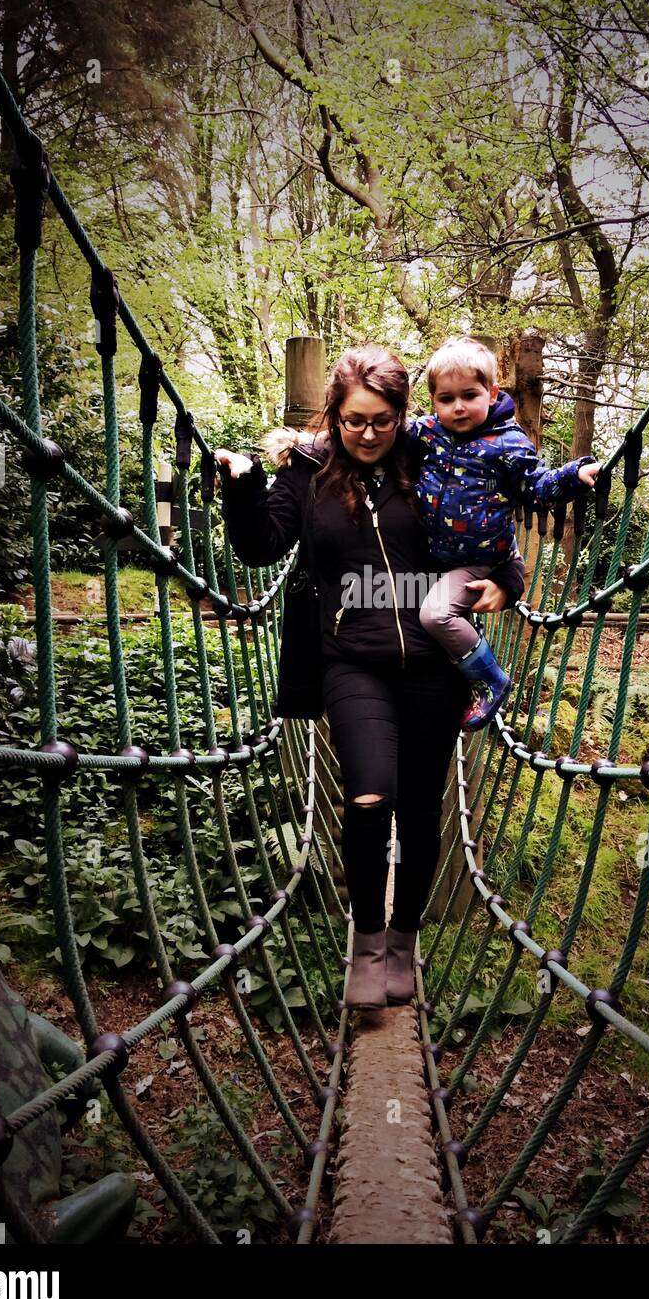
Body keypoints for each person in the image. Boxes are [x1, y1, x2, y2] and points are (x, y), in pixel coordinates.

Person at [214, 346, 526, 1012]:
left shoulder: (431, 456)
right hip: (349, 659)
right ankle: (366, 943)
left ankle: (404, 945)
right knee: (369, 794)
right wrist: (242, 487)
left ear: (401, 416)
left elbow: (488, 516)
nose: (367, 434)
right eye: (355, 420)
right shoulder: (310, 472)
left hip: (432, 669)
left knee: (420, 810)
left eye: (382, 421)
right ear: (335, 413)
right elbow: (260, 544)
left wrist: (507, 581)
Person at [408, 336, 600, 729]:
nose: (458, 406)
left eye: (469, 395)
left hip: (481, 560)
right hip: (434, 556)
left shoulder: (508, 444)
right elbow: (375, 438)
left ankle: (490, 679)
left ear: (492, 393)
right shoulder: (427, 433)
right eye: (446, 399)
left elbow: (538, 486)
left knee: (436, 614)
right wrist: (310, 444)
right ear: (433, 402)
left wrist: (574, 476)